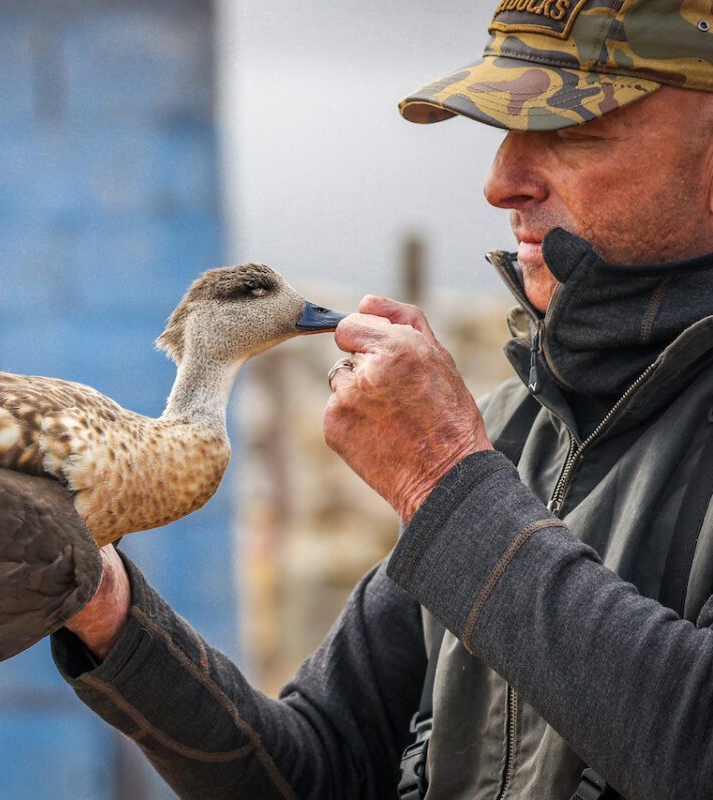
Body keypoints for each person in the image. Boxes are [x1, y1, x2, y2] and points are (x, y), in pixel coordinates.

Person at [52, 2, 713, 798]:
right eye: (504, 131)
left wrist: (440, 479)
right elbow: (317, 769)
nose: (502, 182)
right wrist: (116, 621)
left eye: (572, 133)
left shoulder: (466, 467)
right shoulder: (510, 431)